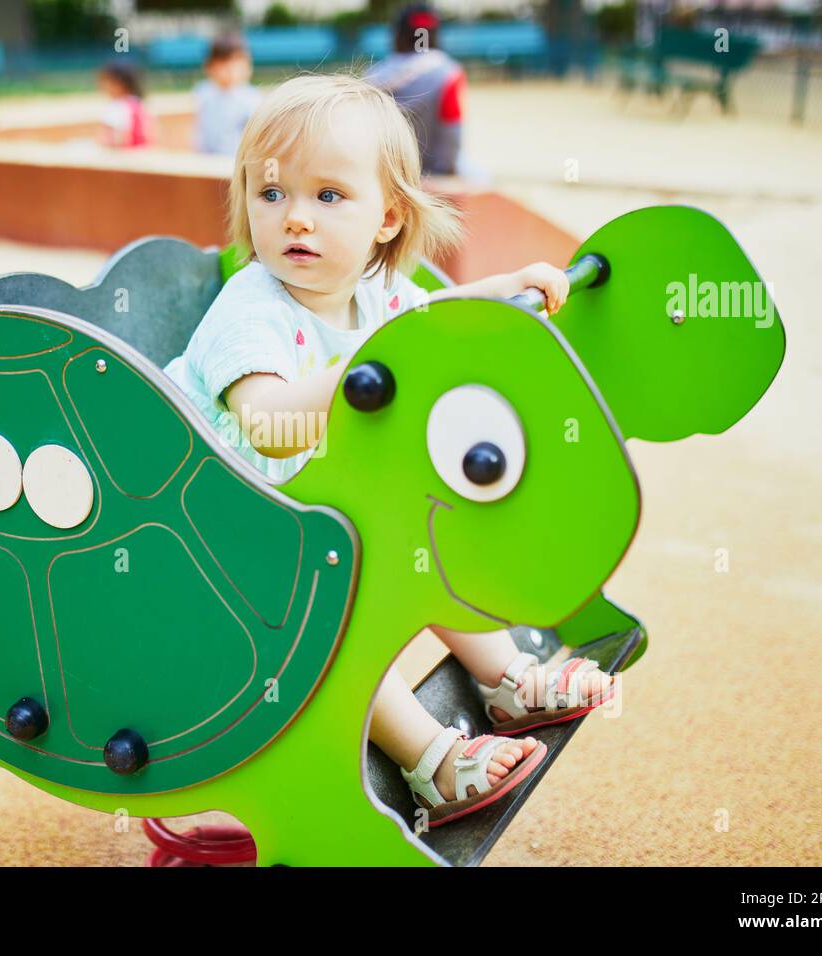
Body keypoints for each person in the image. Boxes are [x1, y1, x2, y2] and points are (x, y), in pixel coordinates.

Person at [162, 73, 614, 825]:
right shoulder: (250, 313)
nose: (295, 219)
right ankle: (431, 762)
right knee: (329, 609)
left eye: (328, 196)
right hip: (219, 533)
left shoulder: (373, 292)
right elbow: (269, 422)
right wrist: (361, 376)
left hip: (306, 511)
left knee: (418, 538)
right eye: (271, 195)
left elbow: (434, 320)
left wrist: (507, 290)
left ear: (387, 217)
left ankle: (503, 677)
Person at [364, 4, 467, 179]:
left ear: (398, 34)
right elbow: (452, 130)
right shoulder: (449, 72)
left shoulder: (374, 74)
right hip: (431, 171)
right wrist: (447, 172)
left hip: (385, 170)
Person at [192, 33, 262, 156]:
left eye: (238, 61)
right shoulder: (203, 93)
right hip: (207, 163)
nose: (232, 68)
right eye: (224, 62)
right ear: (210, 66)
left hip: (235, 165)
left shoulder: (251, 100)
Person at [97, 60, 156, 149]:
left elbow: (118, 139)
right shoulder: (137, 102)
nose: (103, 86)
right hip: (141, 151)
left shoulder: (116, 106)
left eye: (106, 82)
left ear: (119, 84)